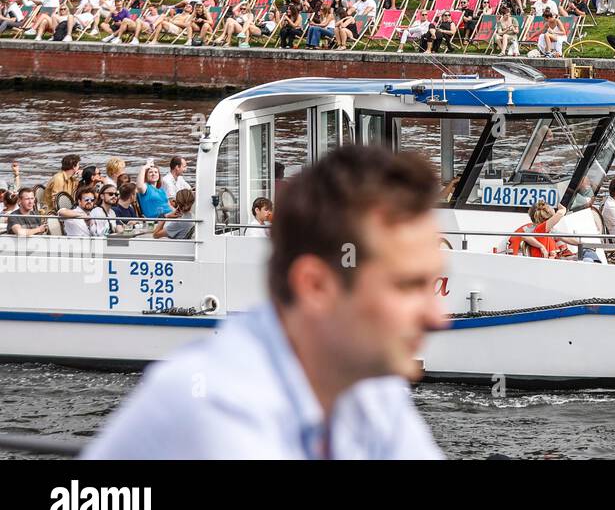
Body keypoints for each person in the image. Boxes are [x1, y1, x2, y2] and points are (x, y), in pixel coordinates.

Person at [84, 146, 446, 459]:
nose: (437, 316)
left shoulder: (366, 386)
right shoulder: (217, 411)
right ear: (316, 287)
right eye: (407, 285)